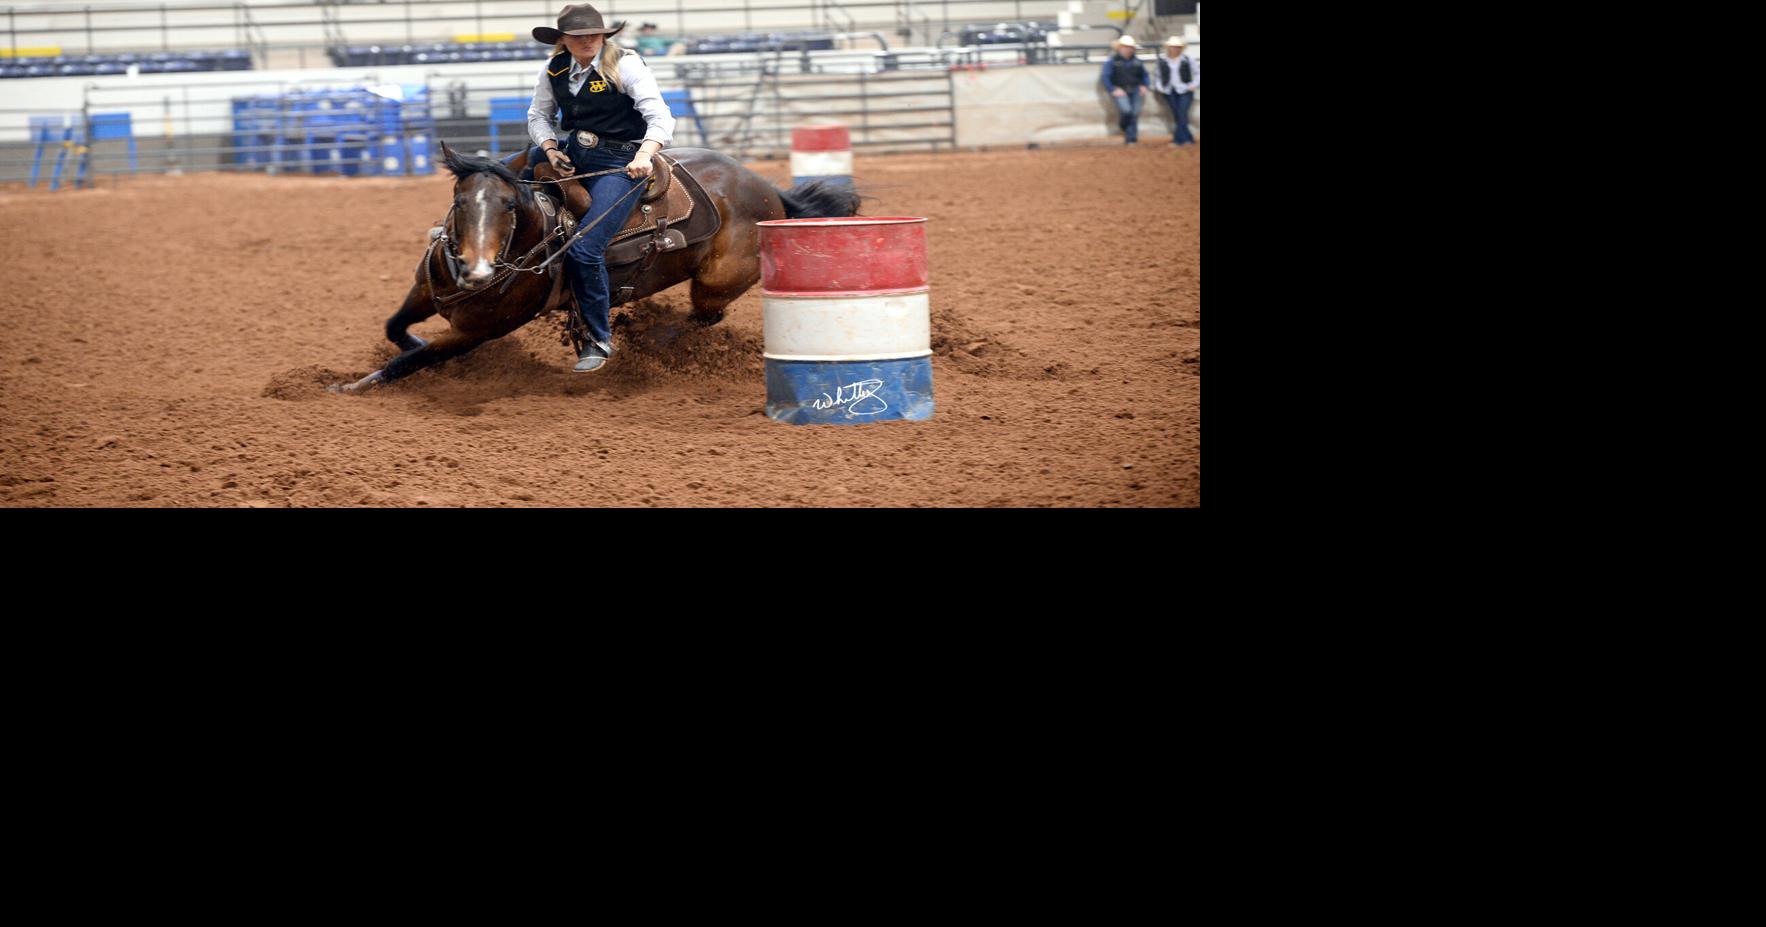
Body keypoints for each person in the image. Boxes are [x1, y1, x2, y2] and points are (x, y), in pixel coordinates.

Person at [524, 3, 676, 372]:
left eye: (594, 34)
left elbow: (660, 116)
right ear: (563, 40)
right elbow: (537, 116)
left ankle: (597, 339)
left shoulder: (626, 64)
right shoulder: (554, 69)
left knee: (585, 248)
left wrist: (644, 154)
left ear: (604, 36)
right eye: (578, 36)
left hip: (621, 163)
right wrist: (548, 148)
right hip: (574, 152)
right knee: (501, 178)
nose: (587, 40)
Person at [1099, 35, 1150, 145]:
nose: (1128, 49)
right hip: (1120, 90)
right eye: (1125, 47)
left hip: (1135, 89)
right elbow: (1105, 77)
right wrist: (1112, 89)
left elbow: (1144, 75)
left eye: (1130, 47)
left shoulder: (1137, 62)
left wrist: (1144, 85)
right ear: (1119, 48)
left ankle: (1131, 138)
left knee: (1135, 113)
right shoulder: (1112, 61)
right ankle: (1124, 127)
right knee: (1127, 111)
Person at [1151, 36, 1198, 146]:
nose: (1175, 49)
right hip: (1169, 90)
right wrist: (1160, 87)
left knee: (1181, 113)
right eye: (1173, 47)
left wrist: (1194, 85)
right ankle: (1188, 139)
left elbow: (1198, 73)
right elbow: (1158, 76)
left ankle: (1178, 140)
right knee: (1178, 115)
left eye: (1177, 47)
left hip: (1185, 90)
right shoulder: (1162, 60)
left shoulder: (1188, 59)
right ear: (1168, 47)